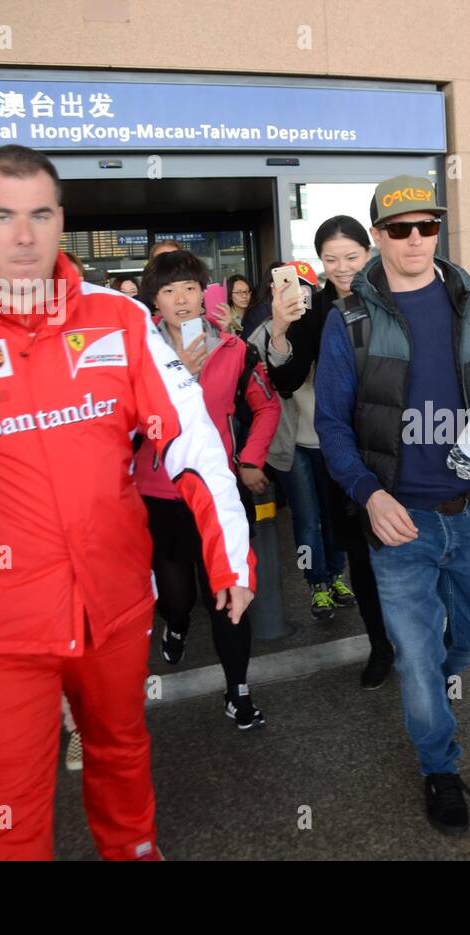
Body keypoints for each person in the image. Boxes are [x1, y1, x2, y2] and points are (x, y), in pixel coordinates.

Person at [0, 144, 253, 861]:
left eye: (39, 214)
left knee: (122, 756)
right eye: (3, 215)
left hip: (115, 606)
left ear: (61, 221)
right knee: (8, 817)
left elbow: (191, 445)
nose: (23, 235)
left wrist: (231, 561)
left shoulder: (119, 319)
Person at [316, 176, 470, 835]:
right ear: (377, 235)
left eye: (426, 226)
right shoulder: (349, 319)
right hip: (399, 519)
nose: (414, 239)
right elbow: (333, 427)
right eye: (399, 228)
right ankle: (440, 766)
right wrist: (370, 495)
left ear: (438, 230)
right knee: (415, 656)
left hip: (469, 509)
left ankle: (423, 679)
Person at [135, 250, 280, 729]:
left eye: (190, 288)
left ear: (205, 293)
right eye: (169, 290)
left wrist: (250, 459)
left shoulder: (234, 349)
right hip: (159, 494)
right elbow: (122, 425)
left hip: (217, 495)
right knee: (176, 595)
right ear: (154, 299)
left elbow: (267, 407)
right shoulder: (137, 354)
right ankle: (175, 623)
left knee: (228, 588)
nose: (181, 299)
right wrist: (173, 372)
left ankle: (238, 690)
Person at [250, 218, 393, 688]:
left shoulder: (394, 295)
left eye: (351, 256)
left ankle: (428, 644)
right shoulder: (314, 308)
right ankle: (381, 647)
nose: (342, 268)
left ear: (369, 251)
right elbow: (287, 382)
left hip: (396, 448)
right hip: (341, 454)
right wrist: (280, 330)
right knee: (361, 554)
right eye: (330, 260)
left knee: (411, 550)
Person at [247, 260, 355, 624]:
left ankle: (338, 577)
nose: (299, 295)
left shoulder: (331, 325)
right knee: (307, 519)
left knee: (333, 515)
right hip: (291, 445)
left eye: (305, 287)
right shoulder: (262, 333)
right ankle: (316, 582)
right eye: (290, 287)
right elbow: (257, 390)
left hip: (329, 441)